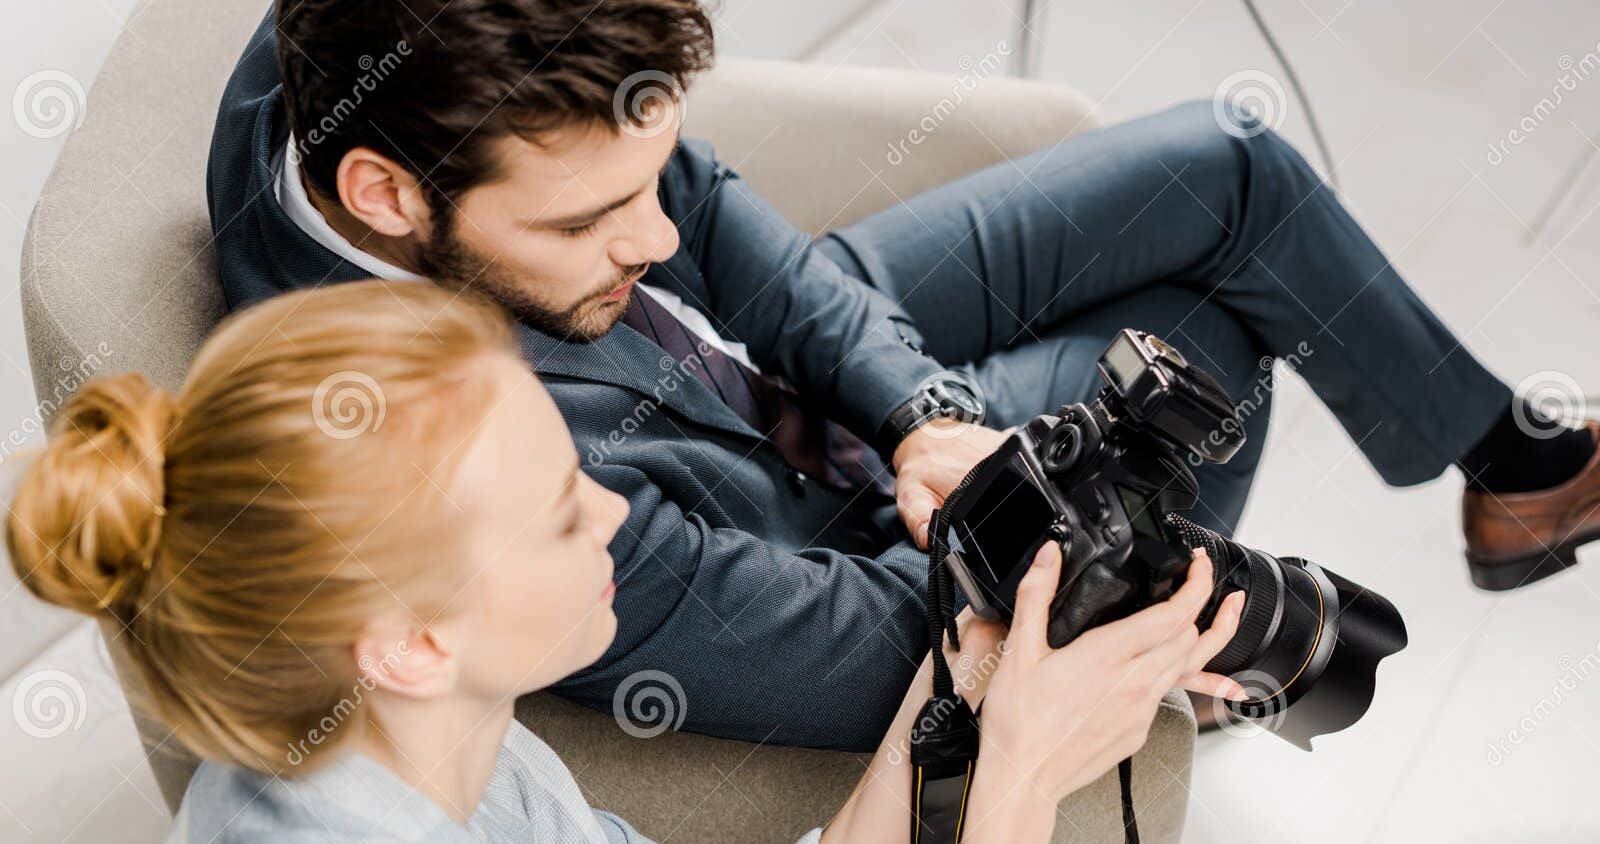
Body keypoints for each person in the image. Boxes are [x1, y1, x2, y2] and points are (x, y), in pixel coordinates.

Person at [208, 1, 1600, 753]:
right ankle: (1188, 657)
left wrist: (927, 409)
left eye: (645, 177)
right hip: (816, 524)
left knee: (1227, 168)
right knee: (1202, 348)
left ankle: (1519, 471)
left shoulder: (346, 79)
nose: (659, 235)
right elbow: (877, 655)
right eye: (586, 218)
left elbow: (722, 234)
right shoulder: (483, 492)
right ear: (386, 197)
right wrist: (986, 498)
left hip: (778, 383)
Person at [5, 281, 1244, 844]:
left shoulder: (430, 758)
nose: (611, 515)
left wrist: (959, 674)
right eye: (556, 515)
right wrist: (1020, 781)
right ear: (412, 640)